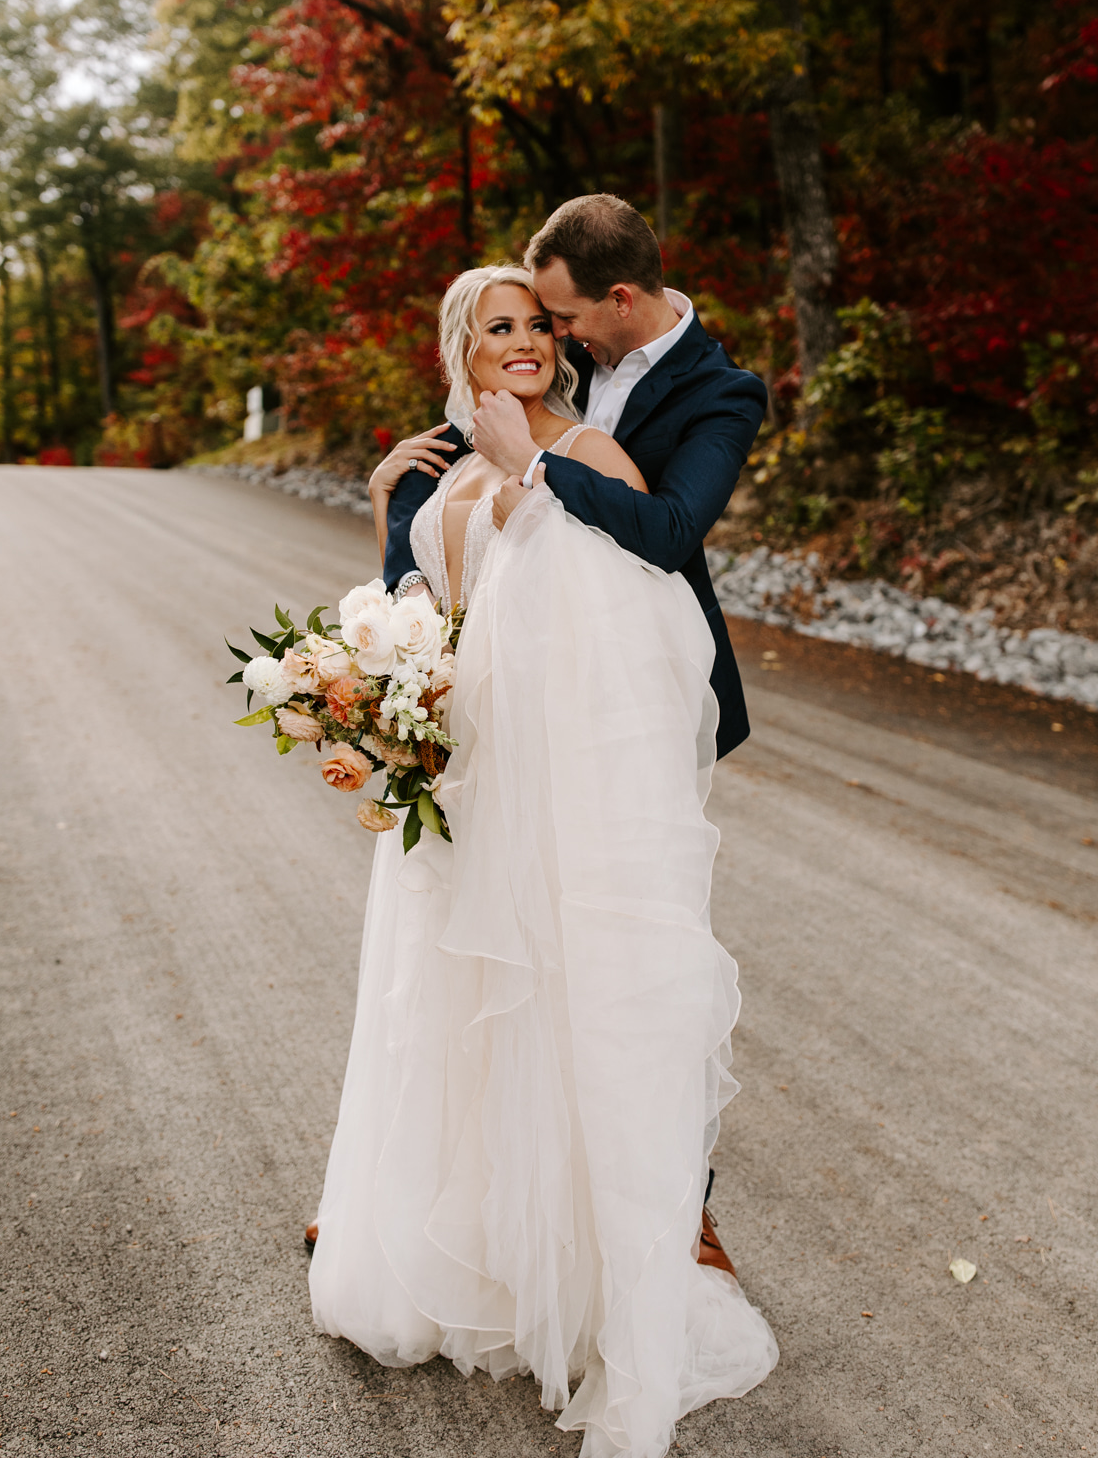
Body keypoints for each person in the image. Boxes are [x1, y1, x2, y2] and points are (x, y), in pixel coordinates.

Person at [308, 263, 778, 1458]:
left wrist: (529, 472)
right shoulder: (435, 465)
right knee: (446, 1017)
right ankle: (453, 1247)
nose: (526, 342)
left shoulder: (587, 455)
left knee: (555, 1012)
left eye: (537, 325)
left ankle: (583, 1273)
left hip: (547, 798)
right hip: (458, 788)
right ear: (460, 348)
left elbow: (635, 635)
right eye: (500, 327)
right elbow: (417, 608)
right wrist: (386, 514)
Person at [383, 194, 768, 763]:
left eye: (559, 318)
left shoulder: (722, 394)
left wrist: (531, 460)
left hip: (639, 675)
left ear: (620, 300)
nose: (553, 334)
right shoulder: (562, 353)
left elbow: (670, 532)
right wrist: (405, 572)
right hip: (521, 670)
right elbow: (442, 474)